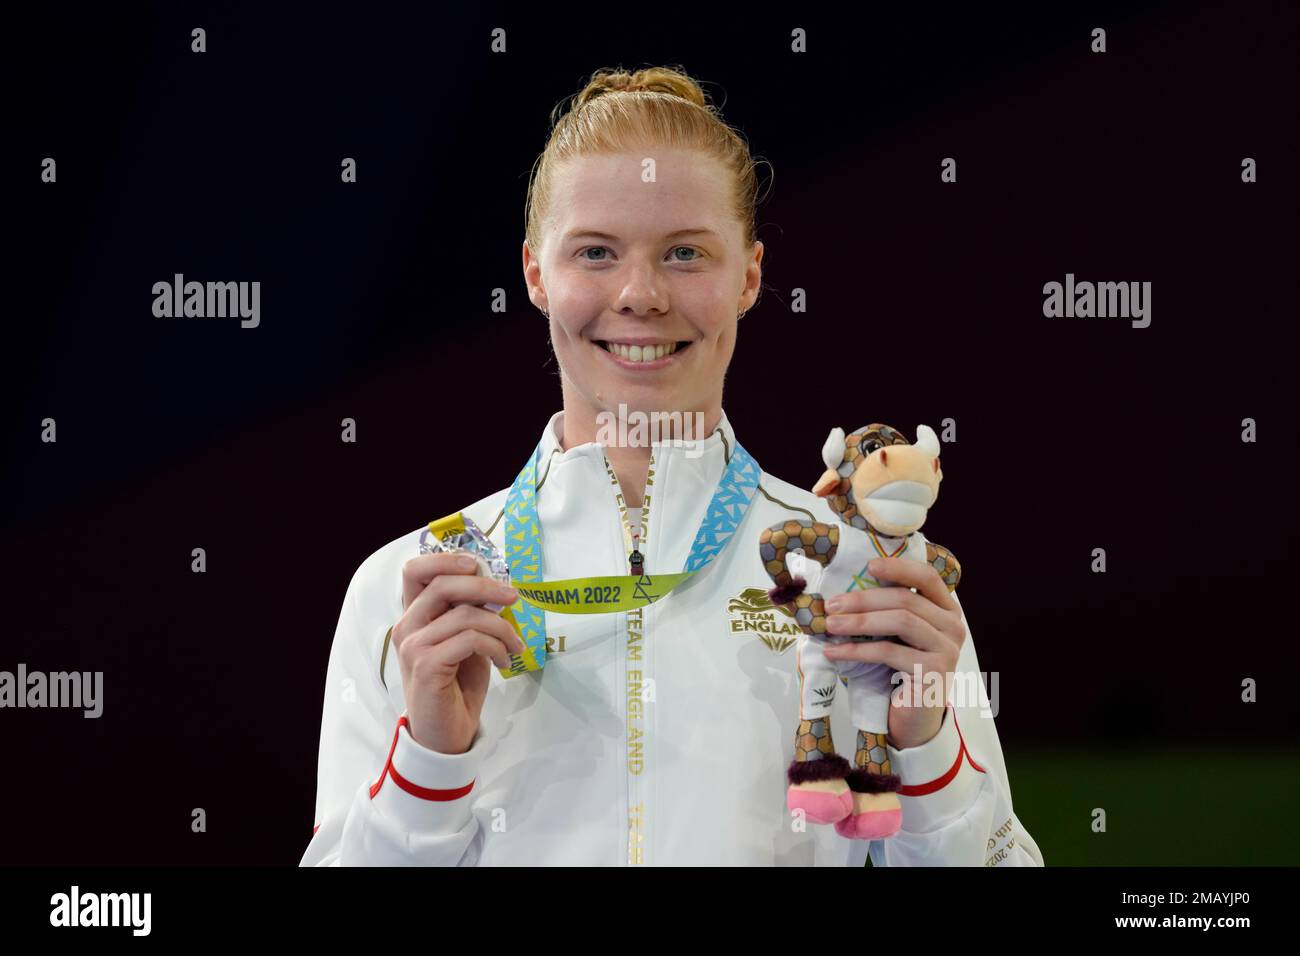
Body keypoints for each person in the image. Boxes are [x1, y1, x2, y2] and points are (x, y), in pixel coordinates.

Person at [300, 65, 1043, 866]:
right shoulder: (410, 588)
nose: (640, 294)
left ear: (749, 277)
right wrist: (429, 766)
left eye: (685, 253)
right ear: (535, 275)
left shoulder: (869, 575)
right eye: (595, 252)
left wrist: (927, 750)